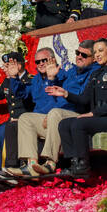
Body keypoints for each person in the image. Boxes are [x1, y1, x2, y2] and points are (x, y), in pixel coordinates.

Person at [56, 38, 107, 177]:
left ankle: (84, 165)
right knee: (64, 124)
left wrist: (93, 113)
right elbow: (84, 99)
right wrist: (66, 94)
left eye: (101, 51)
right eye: (95, 52)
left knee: (79, 123)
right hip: (100, 118)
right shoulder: (96, 75)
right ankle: (73, 163)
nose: (97, 54)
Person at [15, 47, 84, 175]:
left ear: (53, 59)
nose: (40, 63)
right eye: (37, 61)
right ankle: (32, 165)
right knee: (25, 117)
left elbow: (67, 104)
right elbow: (22, 94)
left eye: (44, 60)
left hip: (63, 121)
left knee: (54, 113)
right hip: (47, 122)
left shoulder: (65, 76)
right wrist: (14, 77)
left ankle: (50, 163)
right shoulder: (36, 80)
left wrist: (51, 79)